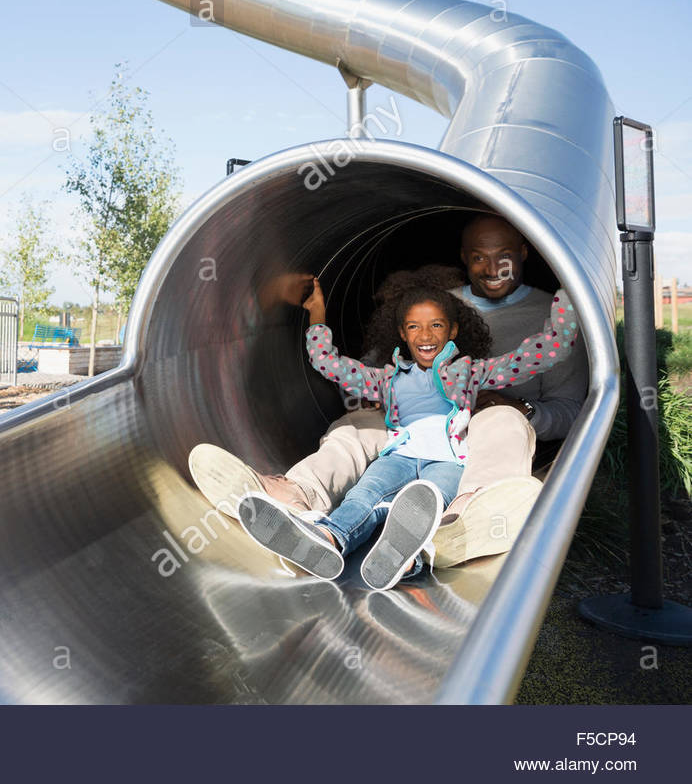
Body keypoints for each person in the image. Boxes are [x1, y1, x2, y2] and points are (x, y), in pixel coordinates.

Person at [193, 214, 586, 568]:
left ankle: (468, 518)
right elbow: (357, 364)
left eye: (504, 254)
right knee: (356, 424)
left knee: (503, 421)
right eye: (480, 256)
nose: (493, 265)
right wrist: (322, 323)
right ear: (464, 258)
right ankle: (297, 494)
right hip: (406, 434)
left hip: (468, 438)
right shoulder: (437, 306)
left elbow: (560, 395)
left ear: (524, 252)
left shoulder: (529, 326)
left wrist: (523, 405)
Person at [236, 277, 578, 589]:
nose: (425, 336)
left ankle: (407, 557)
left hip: (448, 462)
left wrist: (569, 296)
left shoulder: (470, 372)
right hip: (399, 456)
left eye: (436, 325)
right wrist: (317, 314)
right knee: (364, 495)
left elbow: (535, 356)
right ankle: (326, 539)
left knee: (424, 505)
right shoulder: (386, 379)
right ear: (402, 332)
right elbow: (328, 363)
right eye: (414, 327)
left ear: (453, 330)